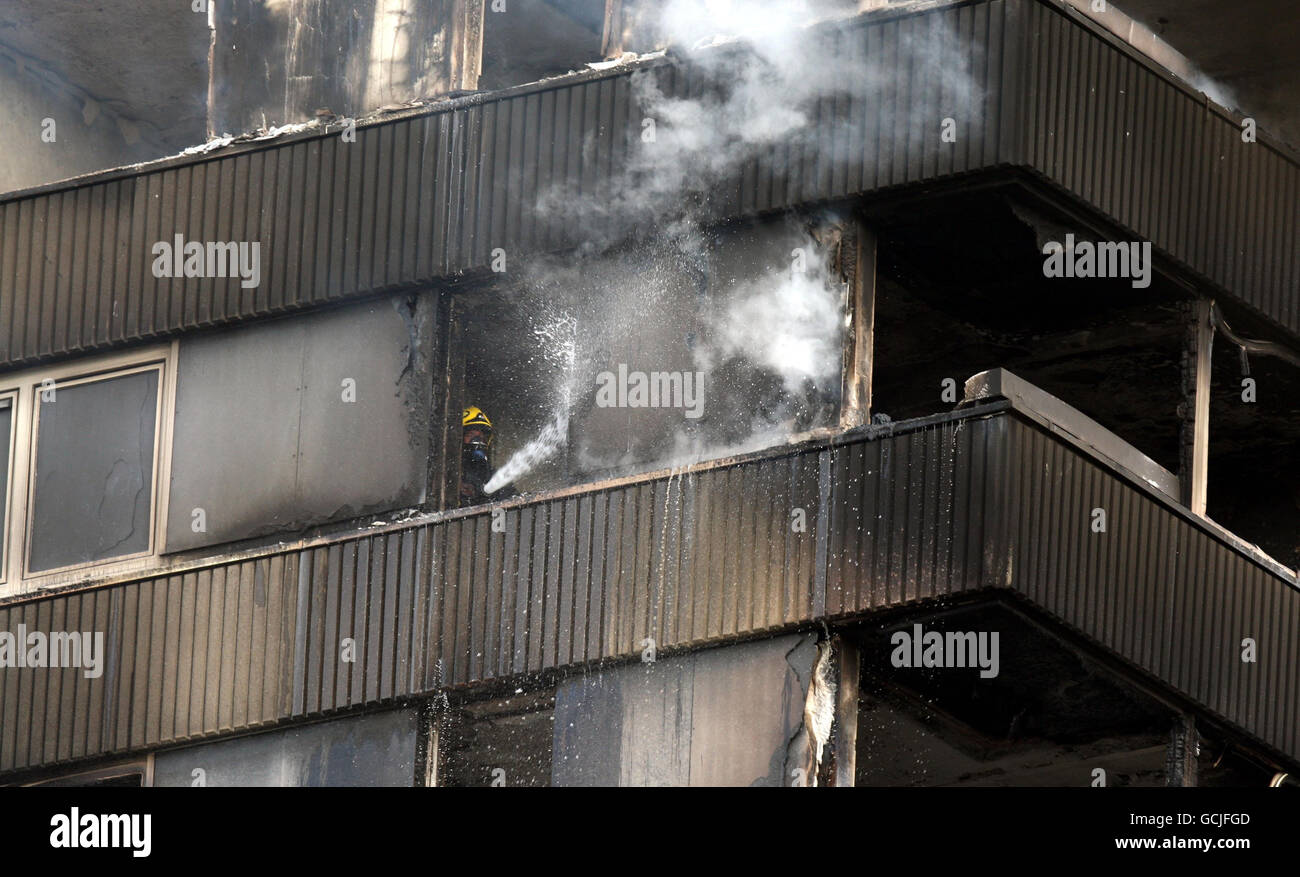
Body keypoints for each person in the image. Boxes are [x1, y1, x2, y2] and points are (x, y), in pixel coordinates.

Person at [459, 405, 513, 507]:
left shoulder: (493, 477)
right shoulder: (445, 475)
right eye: (471, 435)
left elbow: (513, 500)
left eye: (482, 437)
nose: (478, 441)